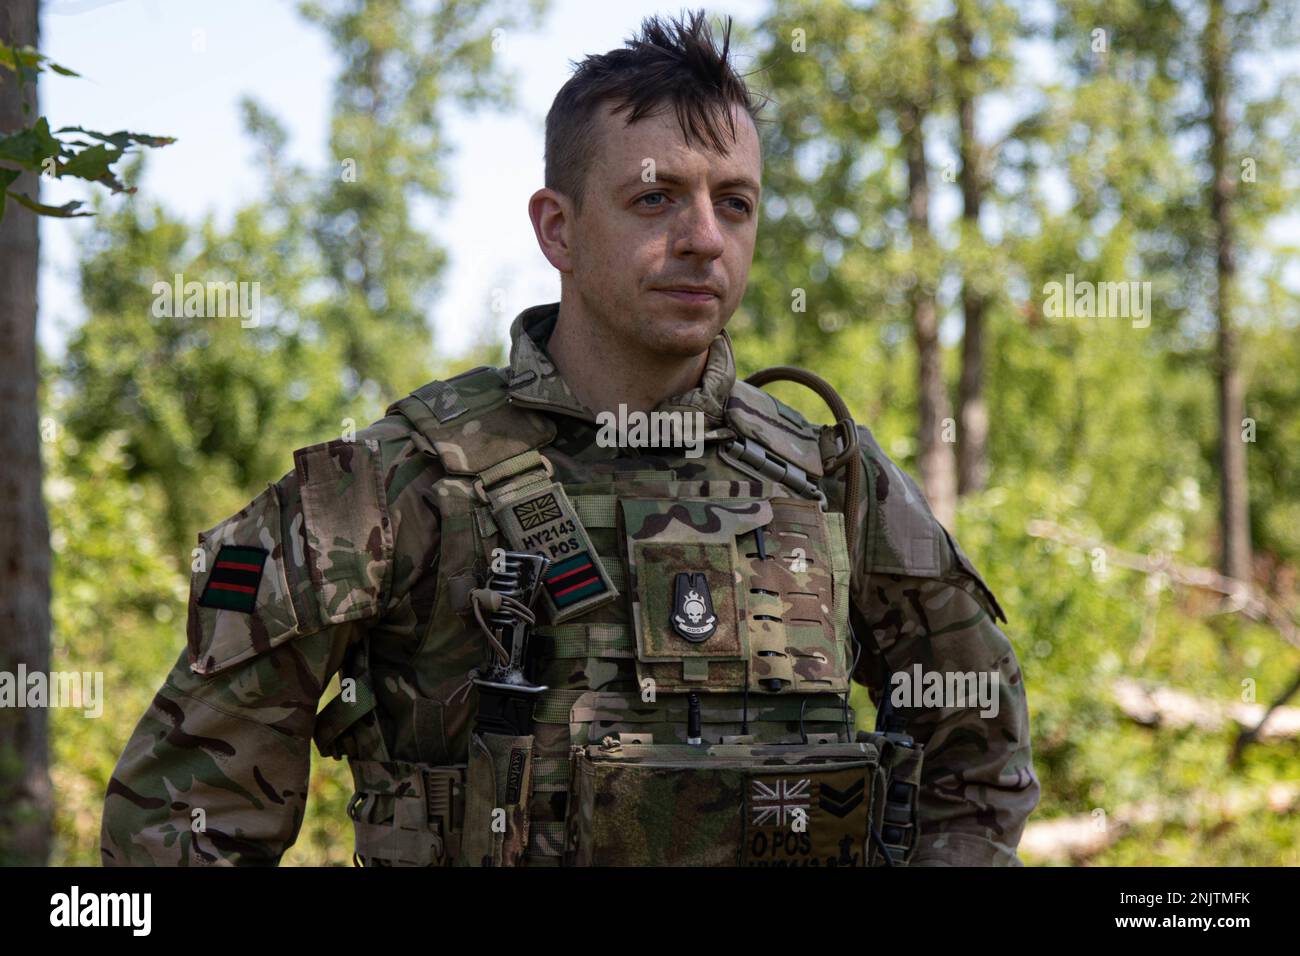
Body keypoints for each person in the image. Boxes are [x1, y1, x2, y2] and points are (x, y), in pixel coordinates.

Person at [101, 9, 1038, 868]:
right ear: (558, 228)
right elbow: (182, 815)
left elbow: (978, 740)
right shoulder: (395, 487)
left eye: (735, 202)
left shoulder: (830, 478)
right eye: (655, 198)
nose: (705, 238)